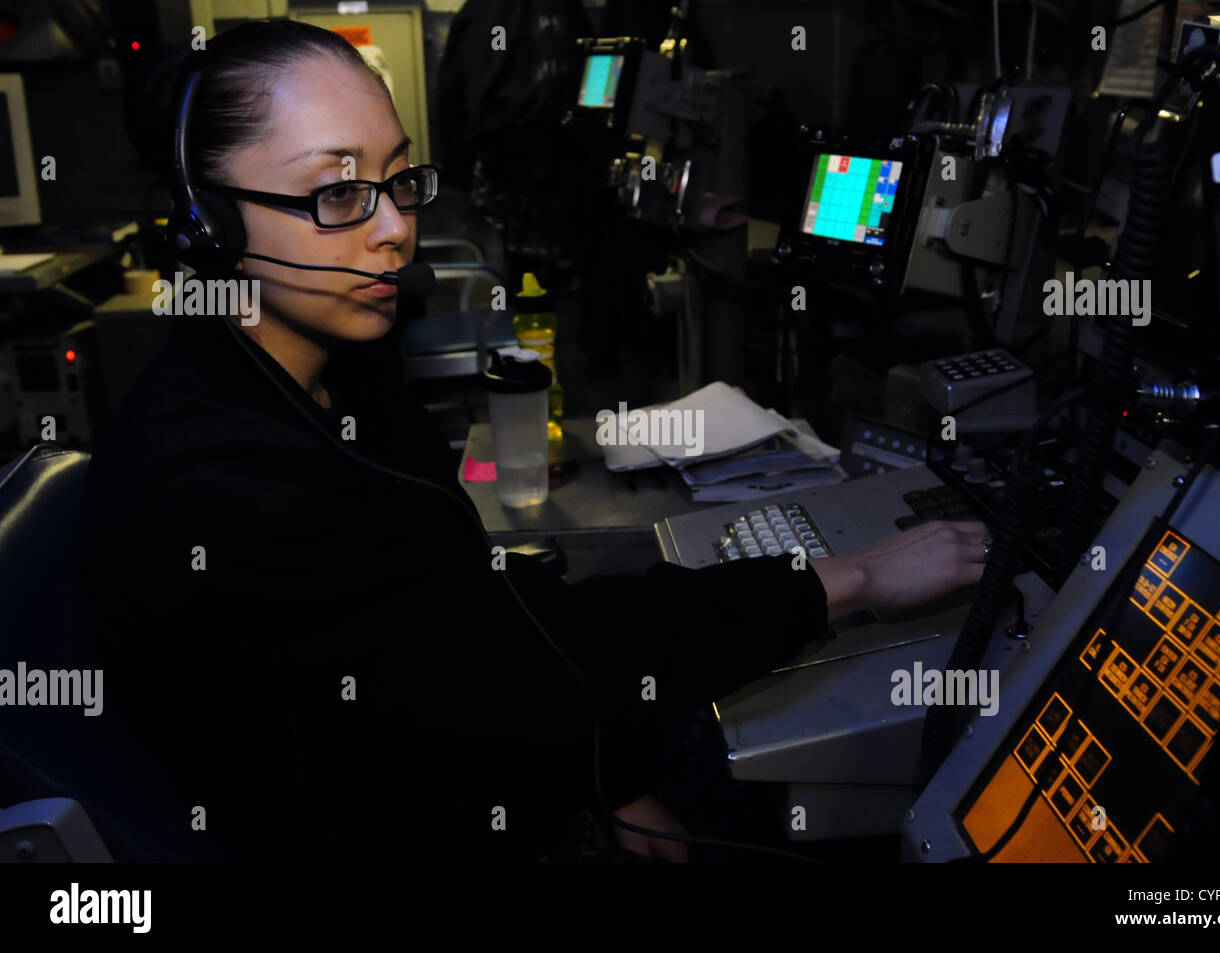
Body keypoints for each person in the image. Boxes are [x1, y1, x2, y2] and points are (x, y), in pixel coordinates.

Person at [79, 19, 991, 862]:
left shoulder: (335, 377)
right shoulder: (212, 487)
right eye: (337, 192)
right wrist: (852, 580)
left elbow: (481, 626)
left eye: (398, 180)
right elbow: (475, 703)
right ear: (209, 225)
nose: (396, 228)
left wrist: (613, 771)